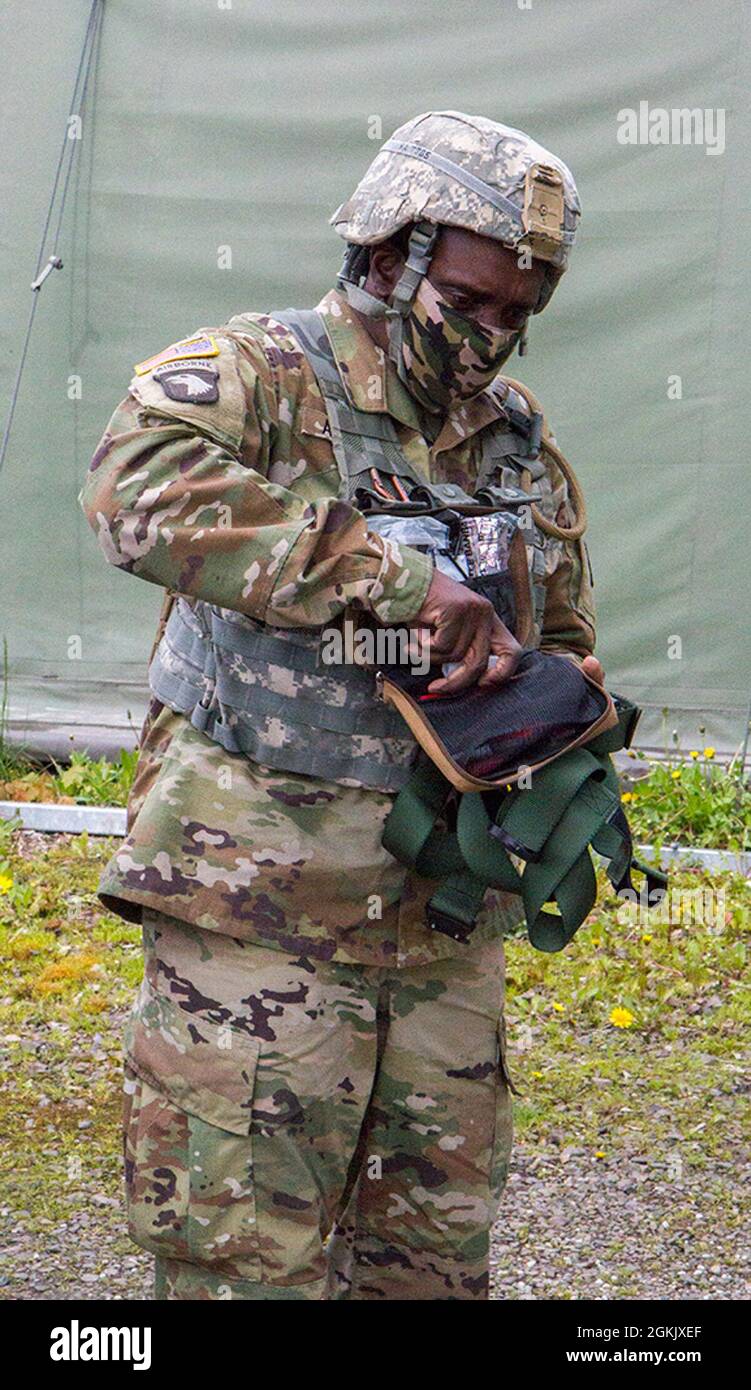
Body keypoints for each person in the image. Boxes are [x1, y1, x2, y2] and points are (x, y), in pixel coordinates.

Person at [80, 110, 601, 1301]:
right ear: (386, 258)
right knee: (245, 1259)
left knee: (429, 1259)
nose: (493, 339)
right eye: (470, 302)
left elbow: (559, 629)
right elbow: (133, 492)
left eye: (521, 314)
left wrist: (558, 712)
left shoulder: (512, 443)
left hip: (441, 917)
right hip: (258, 907)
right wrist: (394, 582)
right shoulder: (257, 376)